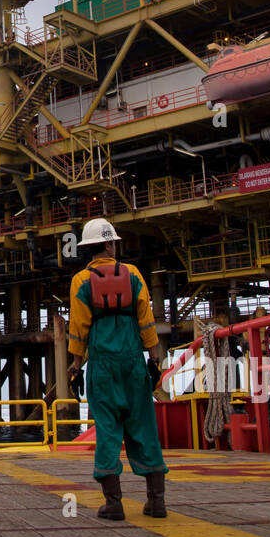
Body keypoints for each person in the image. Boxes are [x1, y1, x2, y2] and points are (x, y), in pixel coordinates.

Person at [67, 218, 168, 520]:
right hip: (133, 360)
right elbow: (146, 320)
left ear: (88, 249)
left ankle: (114, 503)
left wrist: (75, 364)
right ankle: (156, 501)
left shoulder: (81, 281)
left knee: (108, 429)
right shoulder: (134, 274)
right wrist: (155, 358)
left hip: (102, 364)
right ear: (111, 244)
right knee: (144, 426)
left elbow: (79, 327)